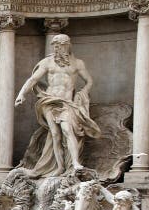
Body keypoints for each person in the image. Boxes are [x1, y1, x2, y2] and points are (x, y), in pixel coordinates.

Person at [14, 33, 100, 177]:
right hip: (49, 100)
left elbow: (89, 81)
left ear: (67, 46)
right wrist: (21, 94)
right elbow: (33, 79)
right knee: (55, 134)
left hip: (66, 103)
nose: (57, 49)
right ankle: (59, 167)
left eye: (60, 46)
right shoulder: (47, 62)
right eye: (55, 46)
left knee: (67, 130)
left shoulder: (78, 63)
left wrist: (82, 93)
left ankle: (75, 162)